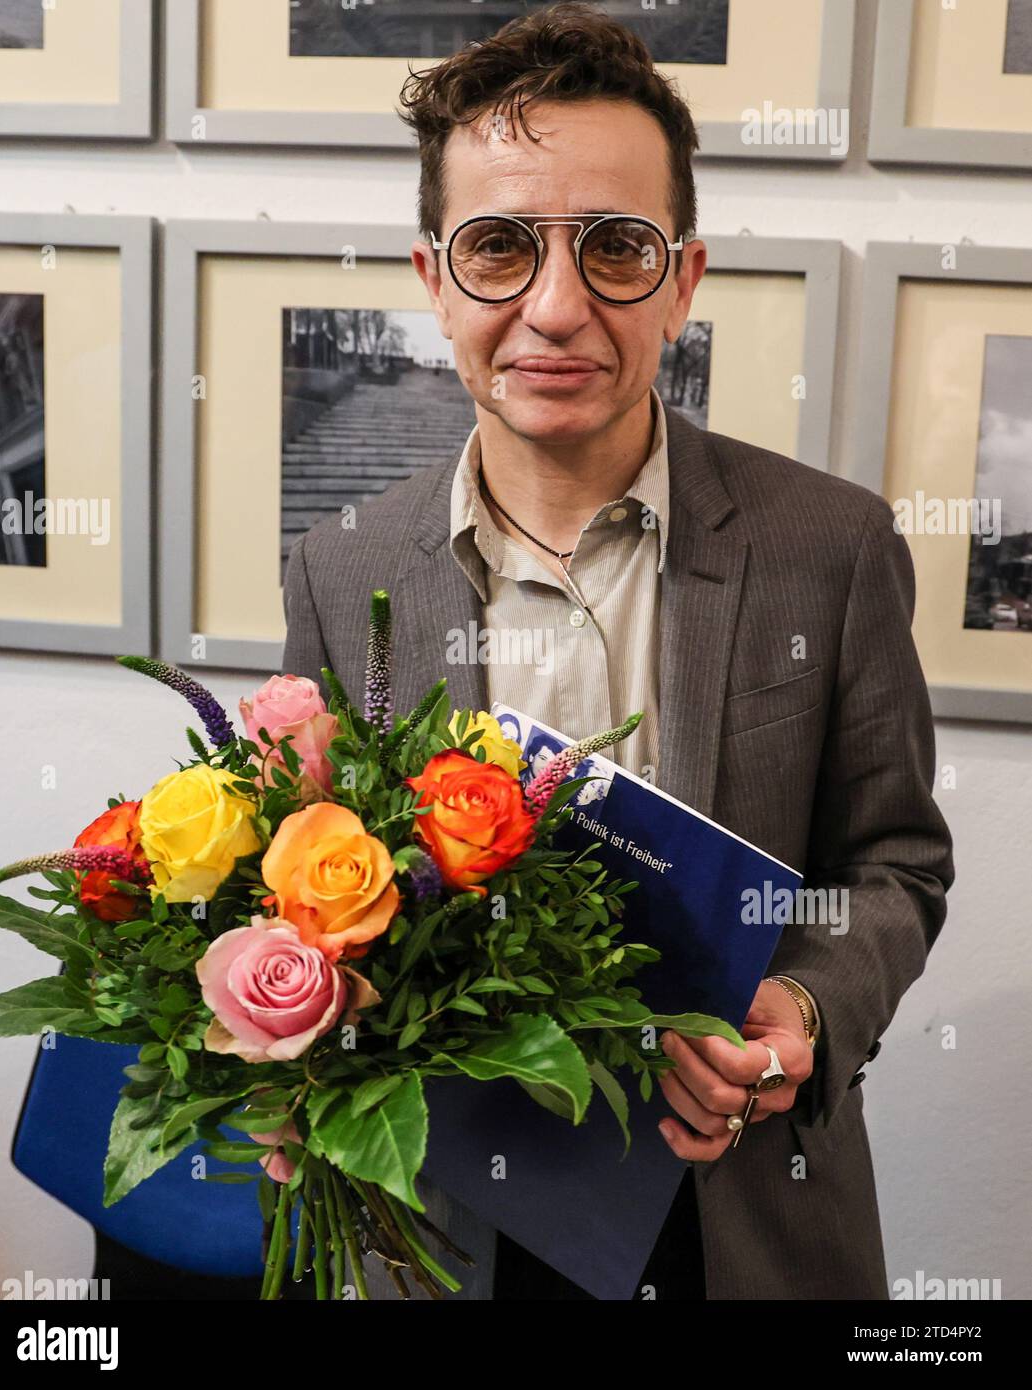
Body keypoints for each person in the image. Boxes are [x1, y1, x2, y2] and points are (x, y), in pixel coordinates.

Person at [281, 2, 954, 1300]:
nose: (554, 305)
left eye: (613, 249)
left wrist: (805, 1007)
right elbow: (312, 880)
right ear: (434, 281)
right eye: (497, 247)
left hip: (745, 1220)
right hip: (445, 1224)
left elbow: (893, 862)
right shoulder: (340, 568)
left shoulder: (832, 546)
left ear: (682, 279)